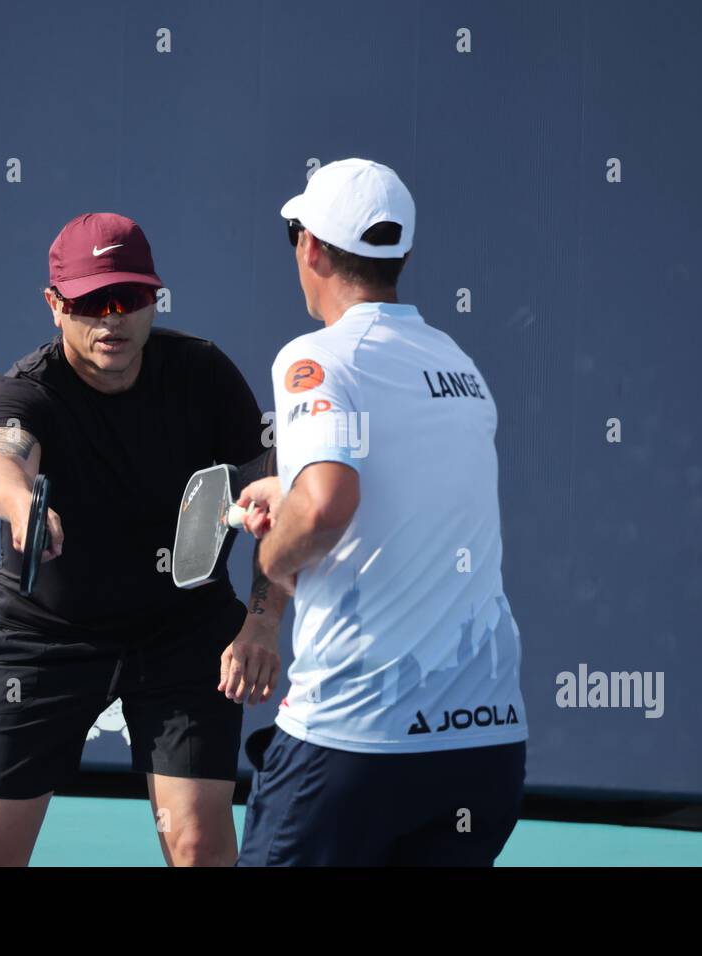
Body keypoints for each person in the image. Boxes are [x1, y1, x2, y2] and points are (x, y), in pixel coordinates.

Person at [0, 212, 286, 866]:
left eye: (129, 299)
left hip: (182, 635)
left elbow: (281, 507)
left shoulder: (206, 375)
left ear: (152, 301)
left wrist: (261, 624)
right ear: (55, 305)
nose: (111, 319)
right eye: (89, 302)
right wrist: (22, 503)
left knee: (198, 845)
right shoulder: (27, 389)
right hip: (44, 638)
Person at [234, 159, 528, 866]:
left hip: (356, 739)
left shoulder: (318, 358)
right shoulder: (458, 365)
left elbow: (330, 505)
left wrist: (275, 553)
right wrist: (294, 495)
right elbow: (389, 503)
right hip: (485, 743)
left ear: (310, 248)